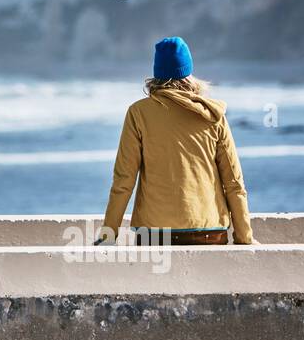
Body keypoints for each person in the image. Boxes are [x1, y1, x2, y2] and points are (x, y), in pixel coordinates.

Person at [95, 36, 256, 246]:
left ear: (156, 74)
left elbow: (123, 181)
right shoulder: (212, 114)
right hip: (209, 232)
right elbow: (234, 183)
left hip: (154, 234)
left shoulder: (139, 113)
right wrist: (245, 239)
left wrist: (107, 237)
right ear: (189, 73)